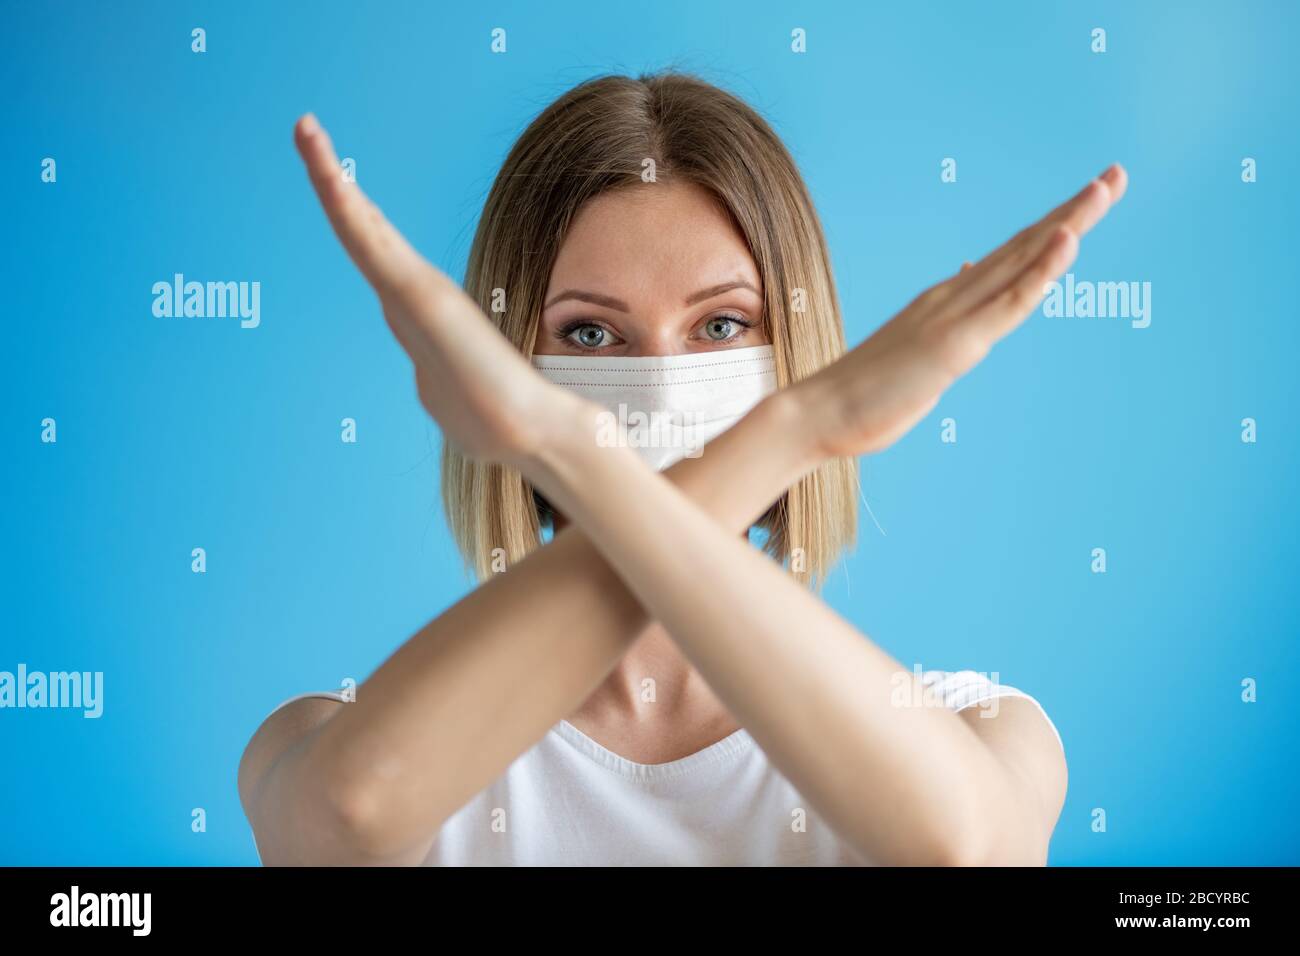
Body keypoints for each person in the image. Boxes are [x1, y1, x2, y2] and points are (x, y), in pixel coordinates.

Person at [238, 72, 1126, 866]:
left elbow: (963, 852)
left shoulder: (976, 726)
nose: (660, 384)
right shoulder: (341, 734)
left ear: (795, 346)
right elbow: (342, 823)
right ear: (508, 360)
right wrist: (794, 430)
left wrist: (576, 447)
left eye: (722, 326)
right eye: (591, 333)